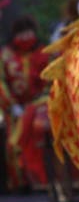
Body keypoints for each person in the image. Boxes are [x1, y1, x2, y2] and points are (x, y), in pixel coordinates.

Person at [0, 16, 49, 192]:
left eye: (28, 33)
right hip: (14, 110)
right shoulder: (5, 55)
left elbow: (50, 79)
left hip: (40, 106)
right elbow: (1, 81)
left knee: (39, 142)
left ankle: (44, 181)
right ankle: (20, 183)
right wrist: (10, 103)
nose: (26, 38)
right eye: (22, 34)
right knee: (13, 146)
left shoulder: (44, 52)